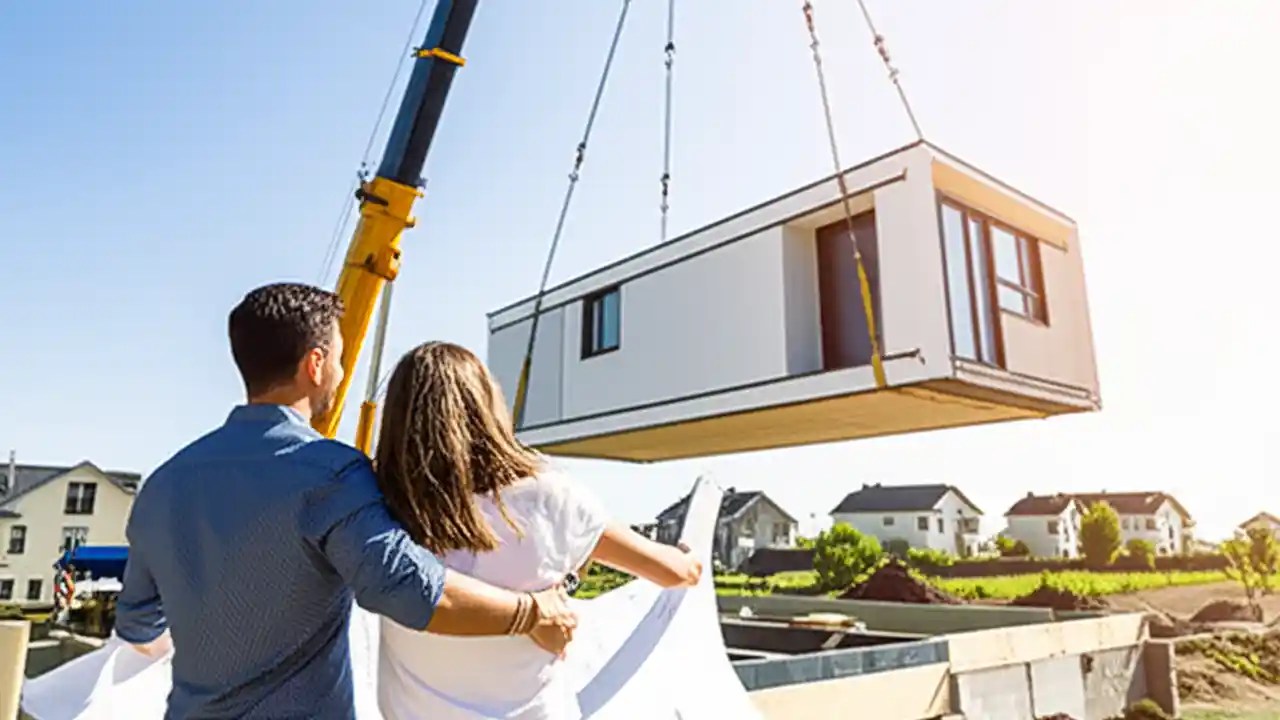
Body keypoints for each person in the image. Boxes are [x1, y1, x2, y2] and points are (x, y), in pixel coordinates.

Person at [114, 283, 577, 720]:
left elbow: (139, 627)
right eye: (337, 358)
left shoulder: (163, 484)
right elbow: (407, 588)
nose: (339, 374)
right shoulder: (329, 472)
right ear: (315, 364)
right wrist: (533, 612)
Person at [371, 341, 704, 720]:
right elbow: (669, 571)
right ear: (485, 405)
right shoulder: (550, 497)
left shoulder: (378, 509)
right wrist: (690, 559)